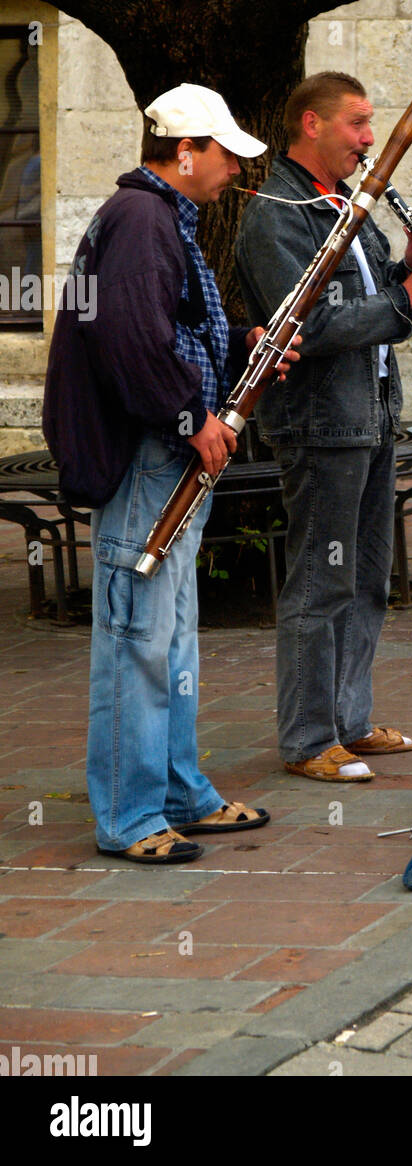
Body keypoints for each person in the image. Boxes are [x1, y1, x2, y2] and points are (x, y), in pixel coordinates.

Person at [43, 83, 298, 863]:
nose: (232, 171)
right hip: (150, 453)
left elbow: (175, 327)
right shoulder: (144, 218)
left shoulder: (156, 216)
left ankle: (179, 791)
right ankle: (128, 814)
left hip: (163, 449)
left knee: (170, 636)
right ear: (184, 153)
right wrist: (195, 419)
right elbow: (131, 341)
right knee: (137, 638)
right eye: (223, 154)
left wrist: (243, 344)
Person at [235, 71, 412, 781]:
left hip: (370, 414)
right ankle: (308, 739)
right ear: (311, 124)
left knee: (367, 578)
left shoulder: (349, 203)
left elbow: (370, 291)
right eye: (357, 124)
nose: (370, 139)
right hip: (320, 421)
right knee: (319, 583)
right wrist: (408, 294)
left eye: (371, 125)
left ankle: (351, 720)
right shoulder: (278, 212)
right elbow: (308, 322)